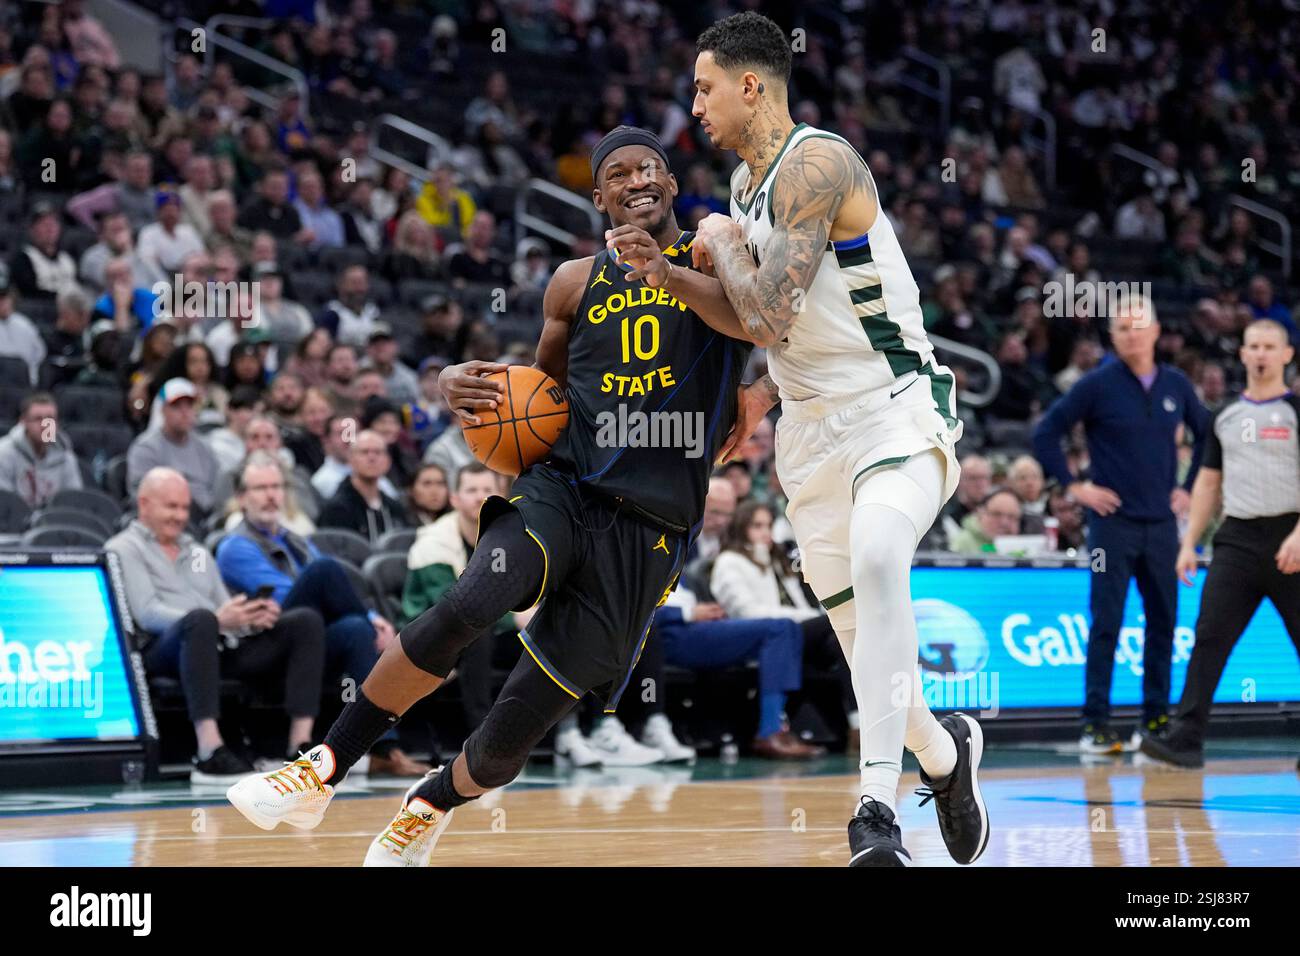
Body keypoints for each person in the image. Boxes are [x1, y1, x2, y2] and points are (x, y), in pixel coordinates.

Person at [226, 126, 750, 866]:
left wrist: (749, 384)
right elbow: (538, 398)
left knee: (511, 734)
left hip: (653, 532)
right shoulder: (573, 283)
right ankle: (323, 768)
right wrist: (462, 389)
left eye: (651, 168)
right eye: (619, 173)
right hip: (567, 489)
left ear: (670, 184)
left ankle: (429, 805)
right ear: (597, 196)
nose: (638, 179)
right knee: (471, 601)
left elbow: (761, 322)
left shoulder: (715, 255)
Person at [687, 11, 985, 866]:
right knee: (867, 650)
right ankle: (942, 753)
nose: (696, 106)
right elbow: (764, 331)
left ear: (752, 85)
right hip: (808, 433)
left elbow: (768, 311)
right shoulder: (745, 191)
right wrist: (740, 387)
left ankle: (873, 811)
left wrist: (715, 243)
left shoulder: (817, 162)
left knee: (884, 559)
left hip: (892, 405)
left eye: (706, 88)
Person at [1034, 297, 1209, 754]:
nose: (1132, 334)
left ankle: (1154, 722)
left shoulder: (1176, 385)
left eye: (1139, 326)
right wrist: (1075, 488)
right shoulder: (1097, 385)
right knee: (1106, 622)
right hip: (1110, 527)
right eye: (1123, 328)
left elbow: (1208, 434)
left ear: (1155, 332)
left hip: (1162, 527)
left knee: (1163, 623)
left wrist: (1188, 486)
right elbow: (1045, 432)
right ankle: (1096, 725)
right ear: (1113, 337)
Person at [1143, 321, 1300, 768]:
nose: (1261, 353)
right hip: (1237, 539)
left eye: (1270, 346)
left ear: (1287, 355)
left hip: (1291, 533)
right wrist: (1189, 541)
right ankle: (1185, 740)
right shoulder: (1225, 414)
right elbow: (1209, 482)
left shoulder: (1294, 411)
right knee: (1209, 637)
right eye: (1253, 346)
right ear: (1244, 354)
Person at [214, 452, 426, 777]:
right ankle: (391, 642)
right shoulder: (234, 546)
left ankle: (381, 746)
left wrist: (365, 620)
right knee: (325, 572)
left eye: (276, 486)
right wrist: (373, 617)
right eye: (260, 488)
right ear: (242, 498)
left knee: (355, 629)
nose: (271, 495)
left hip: (310, 640)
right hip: (270, 641)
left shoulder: (293, 539)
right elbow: (288, 595)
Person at [106, 467, 326, 782]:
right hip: (162, 651)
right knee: (200, 619)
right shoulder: (124, 548)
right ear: (144, 504)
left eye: (184, 507)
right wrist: (217, 618)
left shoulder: (197, 552)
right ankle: (210, 751)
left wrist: (248, 619)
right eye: (171, 507)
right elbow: (146, 613)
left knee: (304, 620)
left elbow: (224, 609)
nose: (180, 516)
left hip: (215, 643)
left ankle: (300, 747)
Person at [710, 500, 857, 745]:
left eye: (768, 525)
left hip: (798, 632)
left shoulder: (777, 560)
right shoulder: (728, 561)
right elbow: (746, 612)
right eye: (757, 526)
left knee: (841, 642)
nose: (765, 532)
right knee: (843, 624)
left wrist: (812, 617)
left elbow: (802, 604)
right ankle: (857, 725)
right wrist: (811, 618)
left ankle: (858, 724)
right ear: (741, 527)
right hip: (760, 635)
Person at [126, 377, 219, 515]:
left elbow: (216, 489)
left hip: (207, 517)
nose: (184, 412)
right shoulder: (145, 448)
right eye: (176, 406)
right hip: (167, 517)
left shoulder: (204, 447)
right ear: (162, 410)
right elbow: (141, 496)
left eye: (189, 405)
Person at [317, 429, 411, 544]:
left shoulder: (395, 508)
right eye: (364, 452)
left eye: (378, 452)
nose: (372, 458)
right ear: (351, 459)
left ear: (388, 461)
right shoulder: (336, 509)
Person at [0, 392, 82, 508]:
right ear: (23, 421)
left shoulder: (66, 457)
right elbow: (3, 503)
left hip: (54, 522)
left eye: (50, 418)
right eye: (38, 419)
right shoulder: (3, 453)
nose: (45, 425)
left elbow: (74, 502)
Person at [0, 263, 46, 385]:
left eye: (4, 297)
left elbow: (38, 357)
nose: (2, 303)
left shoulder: (25, 325)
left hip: (23, 386)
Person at [947, 488, 1023, 554]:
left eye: (1012, 516)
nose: (1004, 523)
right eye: (996, 514)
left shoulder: (1026, 547)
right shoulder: (961, 544)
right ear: (980, 514)